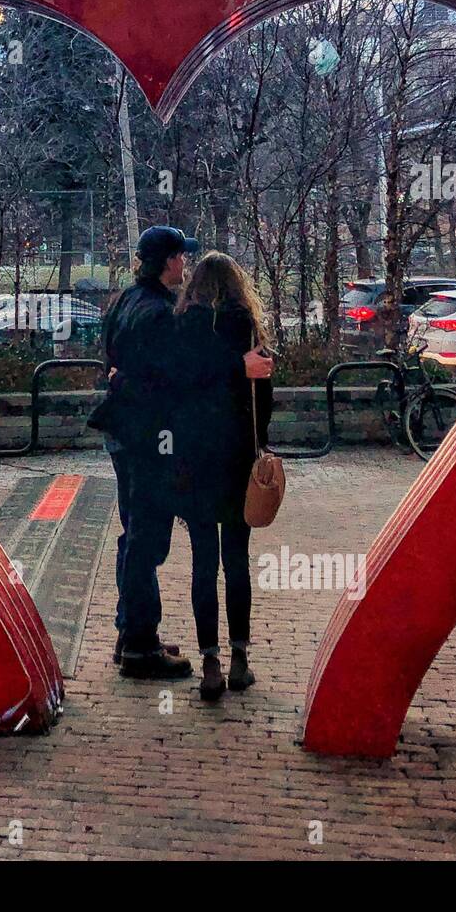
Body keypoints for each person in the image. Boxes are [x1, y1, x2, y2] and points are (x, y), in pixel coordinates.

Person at [89, 226, 198, 679]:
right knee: (146, 538)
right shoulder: (160, 313)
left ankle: (133, 630)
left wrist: (119, 380)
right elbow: (172, 381)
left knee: (133, 532)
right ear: (169, 262)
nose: (186, 266)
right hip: (149, 438)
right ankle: (139, 644)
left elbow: (114, 360)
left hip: (122, 431)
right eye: (181, 258)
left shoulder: (123, 302)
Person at [170, 251, 275, 701]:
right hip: (236, 458)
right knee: (236, 561)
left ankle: (209, 662)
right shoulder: (248, 330)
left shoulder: (183, 328)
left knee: (201, 564)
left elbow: (176, 389)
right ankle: (240, 659)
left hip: (195, 460)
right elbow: (263, 399)